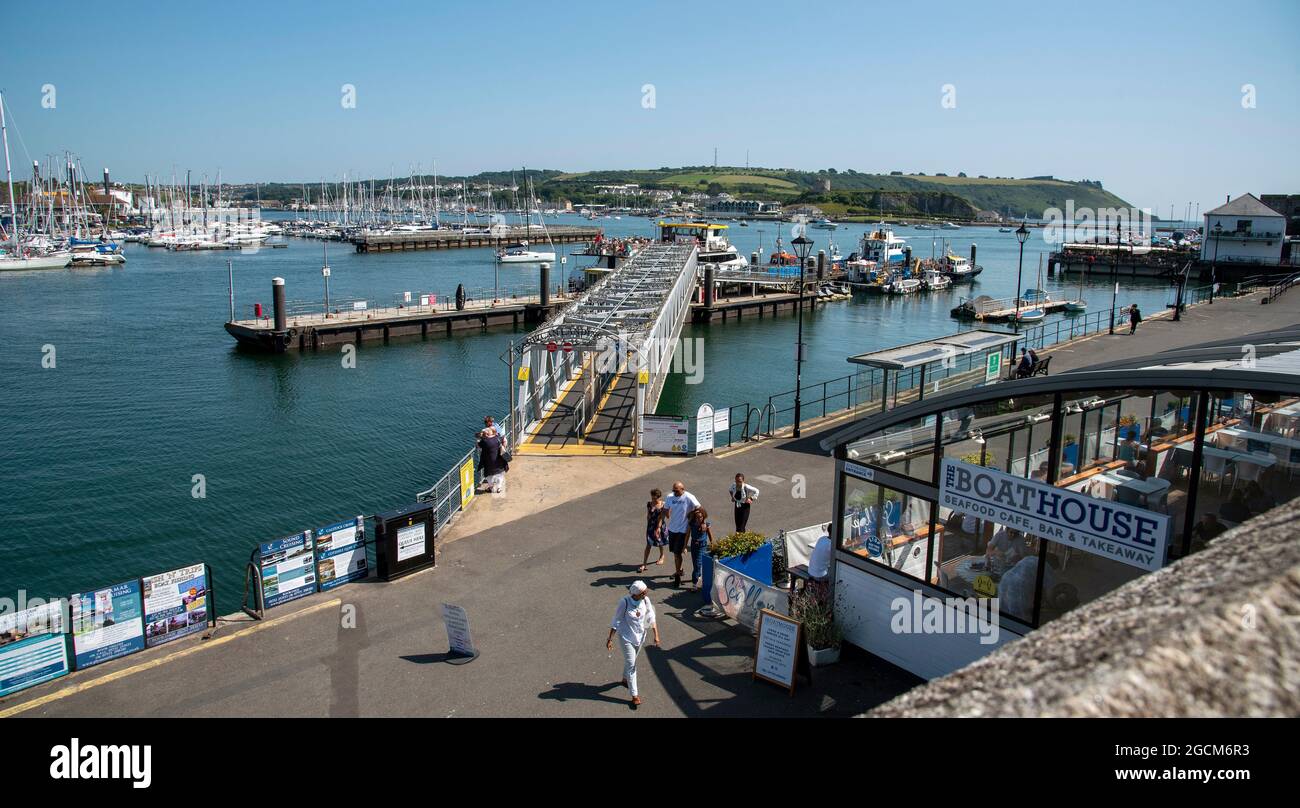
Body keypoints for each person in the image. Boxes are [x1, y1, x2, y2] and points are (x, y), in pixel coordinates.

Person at [606, 581, 659, 708]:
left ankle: (625, 679)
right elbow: (616, 620)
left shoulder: (646, 600)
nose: (646, 593)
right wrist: (610, 638)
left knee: (632, 660)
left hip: (640, 637)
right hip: (626, 638)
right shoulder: (624, 602)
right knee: (632, 665)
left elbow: (651, 617)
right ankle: (634, 695)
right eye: (644, 592)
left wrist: (656, 635)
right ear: (636, 594)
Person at [663, 481, 700, 587]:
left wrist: (693, 518)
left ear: (683, 489)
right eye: (673, 490)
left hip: (683, 530)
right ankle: (679, 570)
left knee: (676, 553)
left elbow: (699, 508)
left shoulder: (689, 497)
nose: (674, 492)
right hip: (672, 529)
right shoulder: (670, 497)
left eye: (677, 491)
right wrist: (663, 519)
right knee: (675, 553)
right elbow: (665, 509)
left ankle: (678, 575)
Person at [476, 416, 508, 494]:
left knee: (488, 474)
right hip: (498, 456)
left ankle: (491, 487)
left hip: (488, 459)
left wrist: (478, 440)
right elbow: (504, 440)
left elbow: (478, 444)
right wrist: (502, 448)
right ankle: (499, 488)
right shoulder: (497, 437)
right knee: (499, 473)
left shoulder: (485, 441)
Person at [639, 489, 667, 573]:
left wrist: (658, 527)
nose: (653, 500)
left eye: (655, 498)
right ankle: (644, 563)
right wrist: (649, 525)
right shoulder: (649, 504)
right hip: (651, 526)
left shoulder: (663, 505)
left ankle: (662, 555)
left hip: (659, 526)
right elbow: (648, 515)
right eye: (652, 498)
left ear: (659, 497)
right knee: (648, 544)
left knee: (660, 542)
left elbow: (662, 518)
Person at [686, 507, 714, 591]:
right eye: (697, 517)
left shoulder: (706, 524)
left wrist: (712, 543)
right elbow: (687, 535)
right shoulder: (692, 524)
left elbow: (710, 535)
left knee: (697, 564)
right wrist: (684, 546)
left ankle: (694, 583)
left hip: (702, 546)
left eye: (701, 517)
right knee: (696, 563)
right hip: (694, 545)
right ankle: (698, 574)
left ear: (703, 516)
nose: (699, 518)